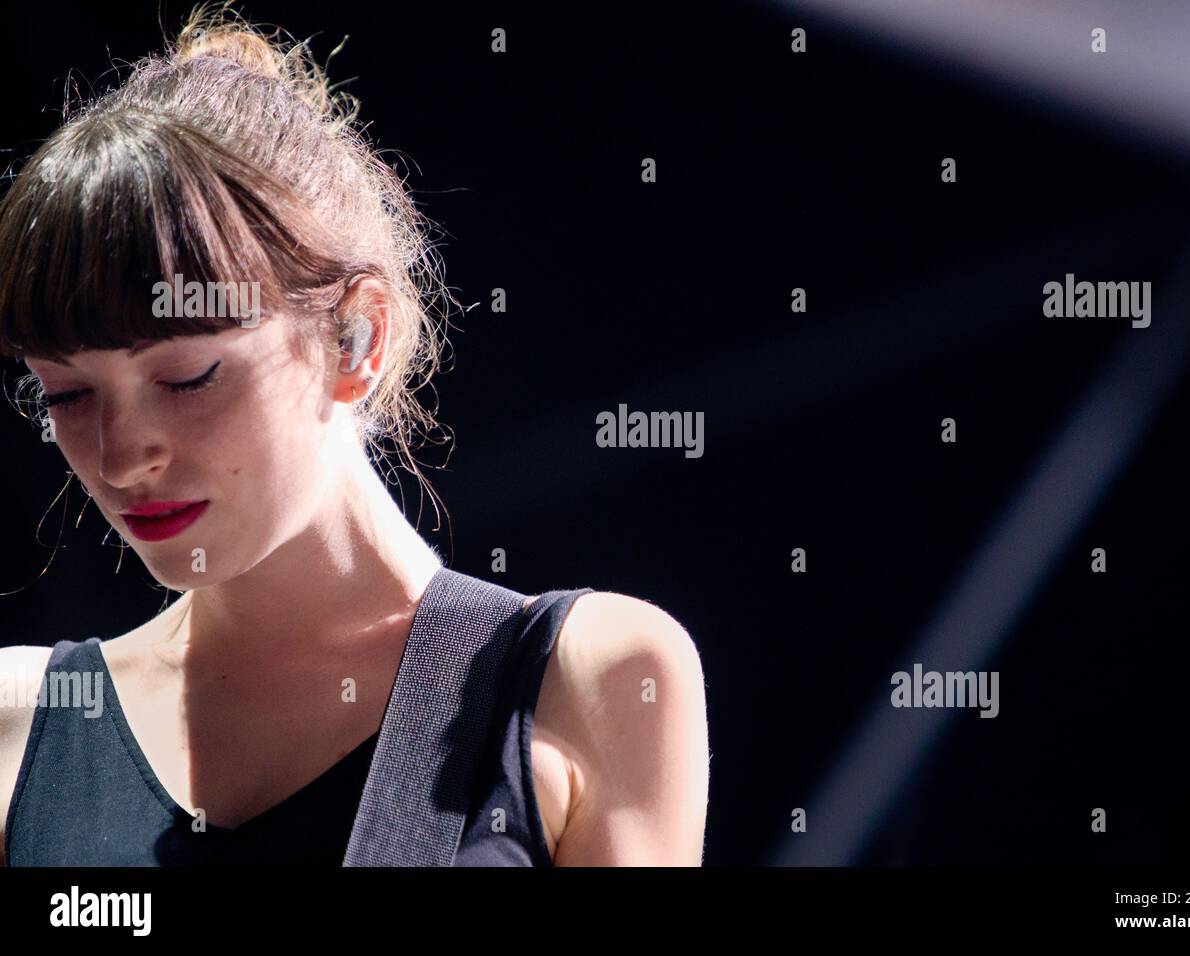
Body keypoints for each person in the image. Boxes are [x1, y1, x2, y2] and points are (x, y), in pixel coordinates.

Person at [0, 6, 709, 866]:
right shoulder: (21, 725)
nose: (120, 457)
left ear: (355, 340)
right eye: (66, 396)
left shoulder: (585, 680)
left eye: (187, 378)